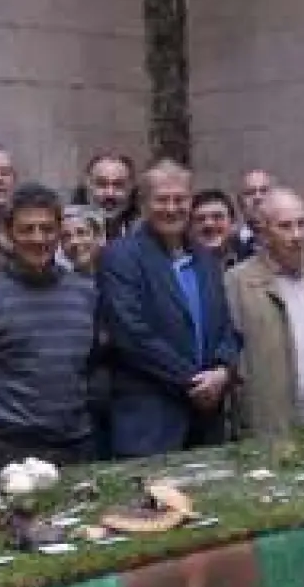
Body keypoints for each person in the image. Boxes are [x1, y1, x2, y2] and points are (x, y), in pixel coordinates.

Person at [0, 183, 100, 479]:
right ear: (9, 234)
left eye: (47, 229)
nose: (38, 239)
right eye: (27, 229)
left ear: (60, 232)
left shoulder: (86, 293)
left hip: (75, 445)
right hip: (7, 450)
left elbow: (92, 365)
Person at [97, 160, 240, 458]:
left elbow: (225, 323)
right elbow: (132, 335)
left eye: (180, 199)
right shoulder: (121, 257)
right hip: (151, 424)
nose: (172, 208)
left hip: (206, 424)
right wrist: (195, 382)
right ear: (144, 203)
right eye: (162, 199)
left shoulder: (204, 257)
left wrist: (223, 371)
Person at [225, 188, 304, 438]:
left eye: (301, 224)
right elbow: (231, 354)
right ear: (264, 232)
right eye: (285, 226)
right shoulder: (239, 281)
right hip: (271, 424)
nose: (296, 235)